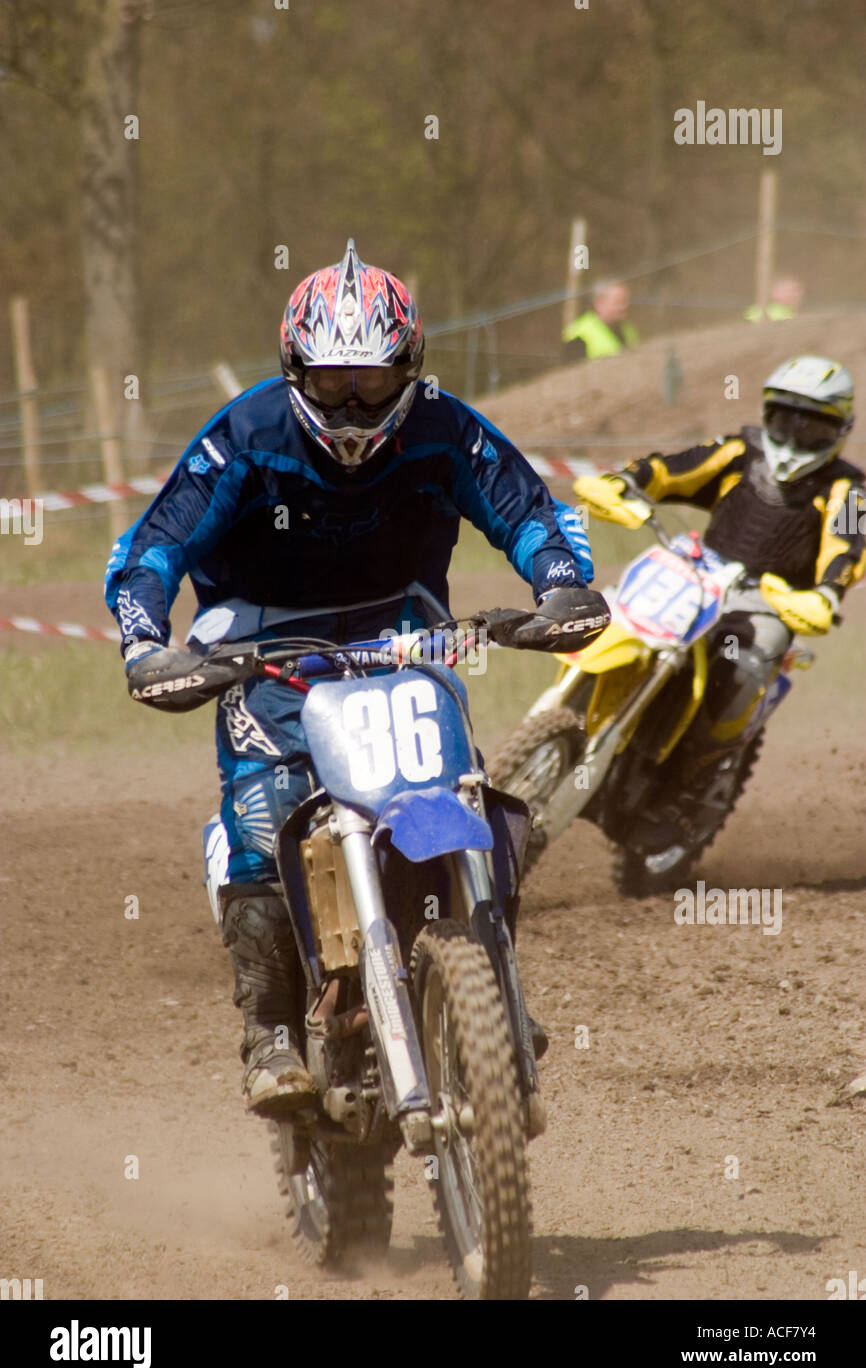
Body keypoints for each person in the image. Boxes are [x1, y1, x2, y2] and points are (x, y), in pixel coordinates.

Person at [105, 239, 609, 1117]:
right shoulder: (248, 433)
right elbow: (152, 547)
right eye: (333, 379)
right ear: (294, 368)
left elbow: (529, 510)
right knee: (263, 815)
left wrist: (561, 585)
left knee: (477, 804)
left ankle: (492, 989)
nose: (350, 401)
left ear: (409, 367)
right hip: (259, 641)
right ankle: (268, 1031)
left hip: (401, 627)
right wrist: (148, 642)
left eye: (372, 382)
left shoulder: (445, 428)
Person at [574, 354, 865, 848]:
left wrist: (826, 594)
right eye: (786, 419)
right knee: (616, 611)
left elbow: (848, 548)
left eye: (813, 427)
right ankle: (571, 723)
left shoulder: (850, 489)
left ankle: (685, 791)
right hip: (699, 574)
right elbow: (671, 470)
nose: (795, 436)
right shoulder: (738, 452)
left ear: (839, 430)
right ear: (768, 413)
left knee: (744, 664)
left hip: (773, 603)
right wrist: (624, 482)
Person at [561, 279, 639, 363]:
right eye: (618, 302)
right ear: (599, 303)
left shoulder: (628, 329)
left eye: (626, 301)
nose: (624, 306)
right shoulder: (579, 336)